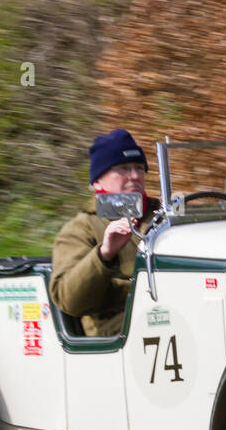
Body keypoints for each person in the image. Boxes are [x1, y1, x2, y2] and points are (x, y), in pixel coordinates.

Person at [51, 129, 161, 337]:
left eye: (139, 168)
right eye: (123, 169)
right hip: (117, 330)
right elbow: (68, 300)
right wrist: (104, 254)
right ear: (97, 181)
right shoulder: (80, 228)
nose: (135, 176)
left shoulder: (162, 216)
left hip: (168, 315)